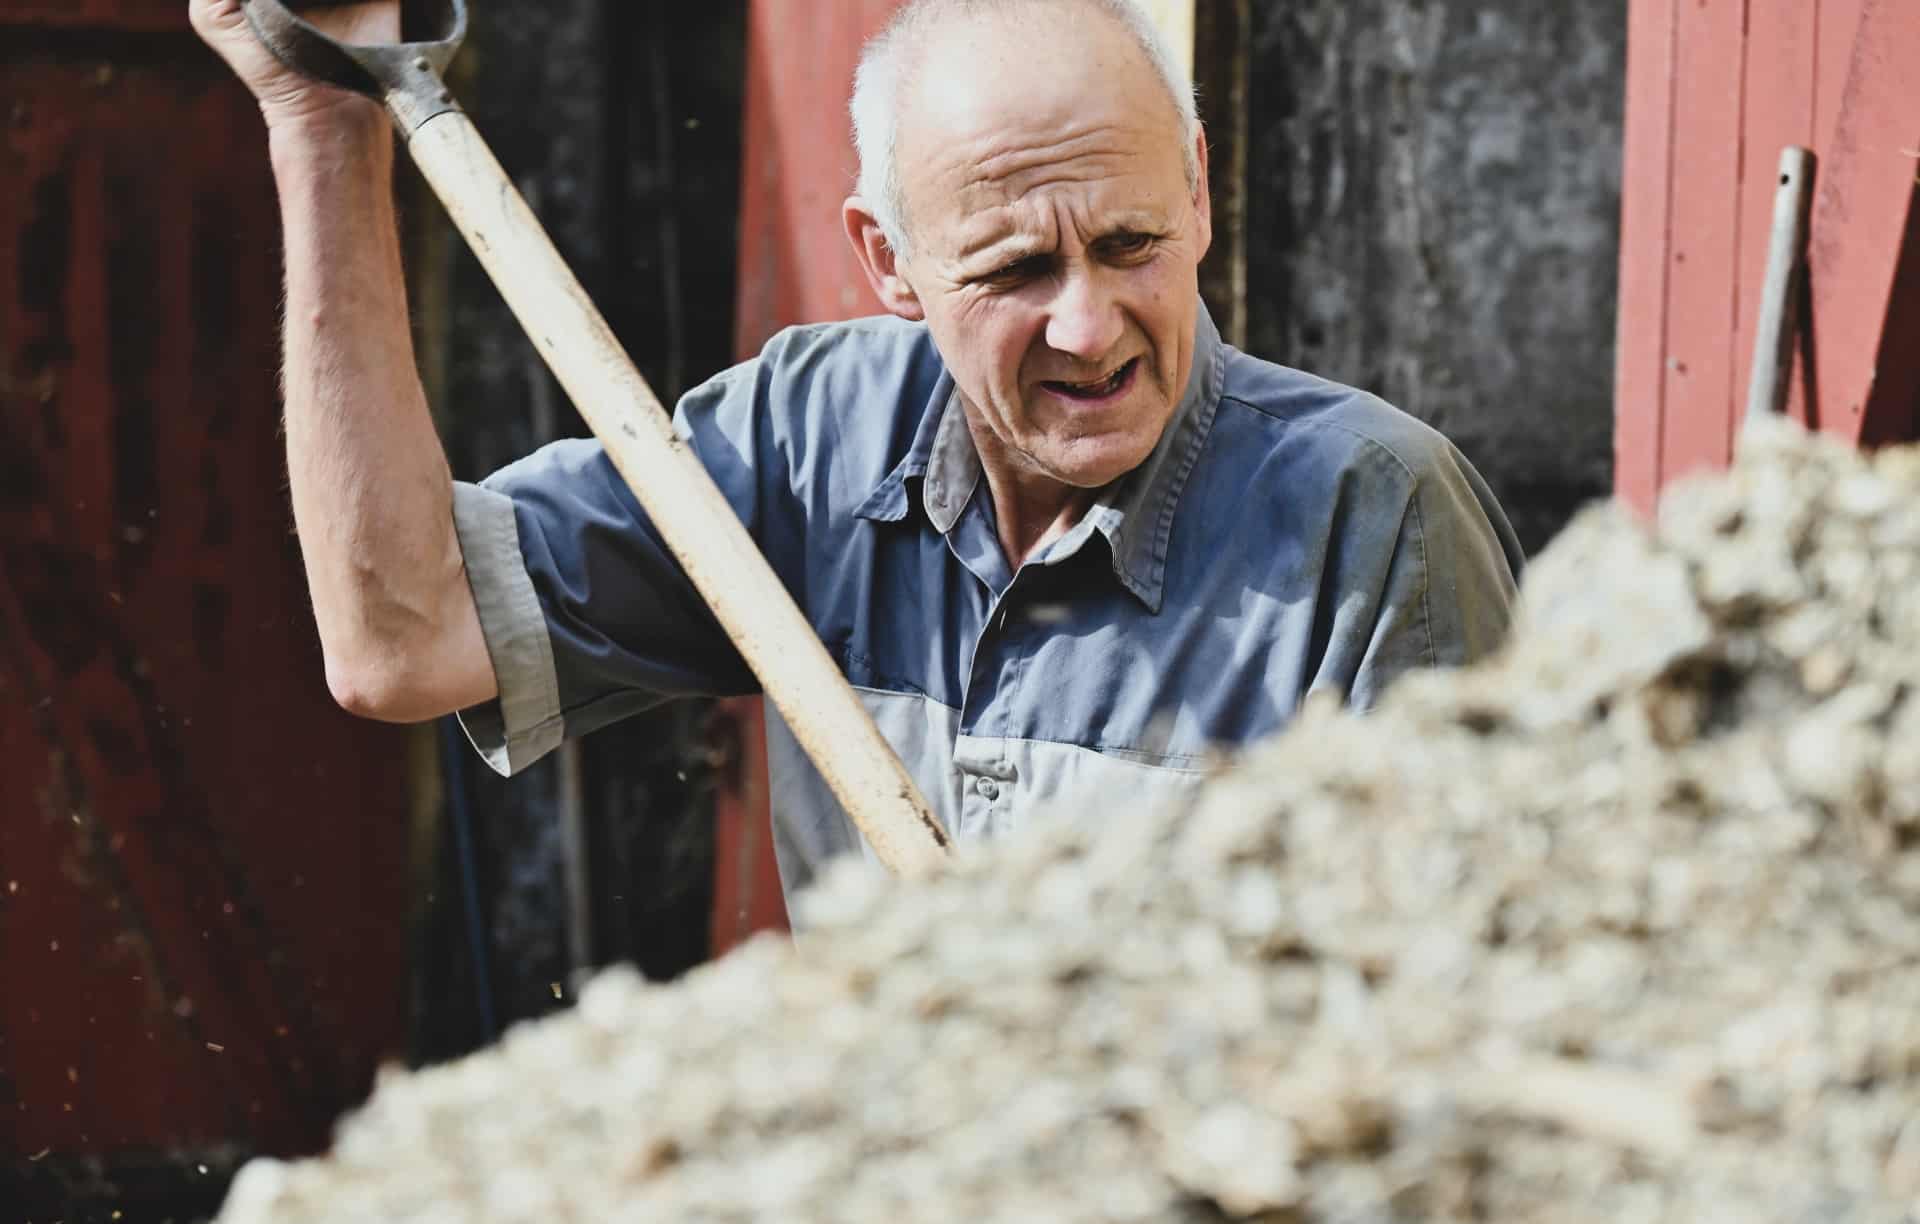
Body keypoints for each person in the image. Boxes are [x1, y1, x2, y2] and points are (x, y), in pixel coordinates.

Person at [190, 0, 1523, 898]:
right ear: (888, 262)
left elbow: (1460, 1015)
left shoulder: (1370, 513)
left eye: (1131, 244)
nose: (1087, 320)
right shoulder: (812, 441)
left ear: (1198, 192)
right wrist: (325, 118)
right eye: (1012, 267)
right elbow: (401, 639)